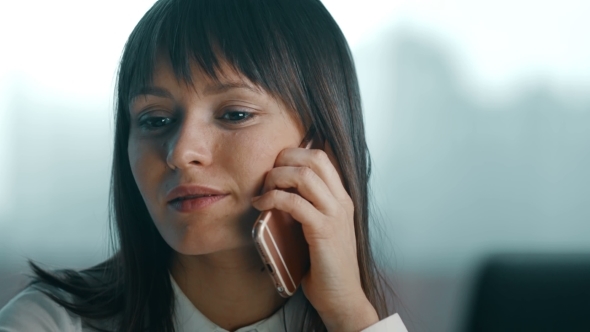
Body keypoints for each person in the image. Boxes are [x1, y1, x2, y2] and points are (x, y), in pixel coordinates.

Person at [0, 0, 407, 331]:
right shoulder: (46, 324)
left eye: (234, 114)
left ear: (322, 145)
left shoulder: (351, 322)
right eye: (155, 120)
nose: (181, 152)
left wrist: (352, 317)